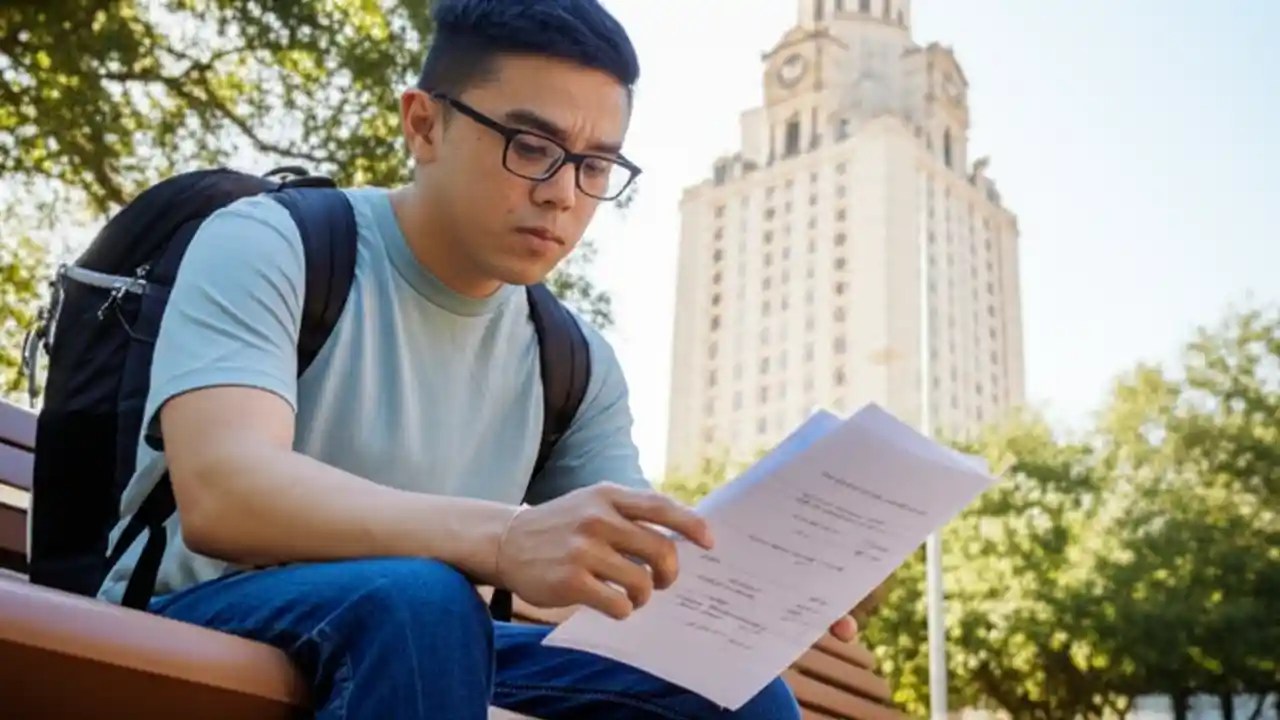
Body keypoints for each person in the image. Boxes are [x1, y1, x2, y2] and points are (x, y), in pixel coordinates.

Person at [97, 0, 858, 717]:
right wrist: (502, 539)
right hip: (193, 620)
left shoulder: (574, 361)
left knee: (729, 689)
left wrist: (759, 595)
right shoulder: (274, 242)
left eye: (596, 166)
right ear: (424, 126)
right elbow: (225, 492)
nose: (564, 194)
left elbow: (628, 566)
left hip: (427, 642)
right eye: (532, 147)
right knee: (421, 597)